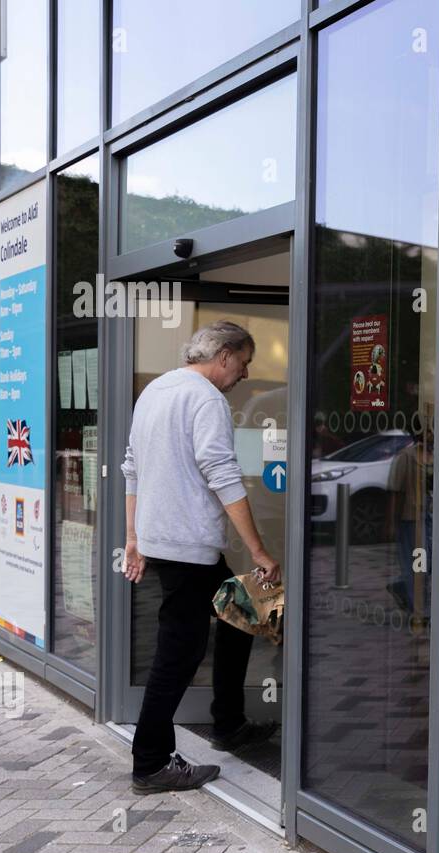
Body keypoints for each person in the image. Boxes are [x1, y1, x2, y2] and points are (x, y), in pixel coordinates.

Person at [122, 320, 282, 794]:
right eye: (245, 363)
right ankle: (150, 763)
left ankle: (228, 723)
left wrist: (133, 536)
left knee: (237, 616)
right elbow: (222, 472)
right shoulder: (206, 398)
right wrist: (258, 550)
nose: (245, 375)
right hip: (185, 546)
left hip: (165, 540)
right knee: (179, 653)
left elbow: (132, 468)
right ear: (225, 355)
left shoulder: (155, 390)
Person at [386, 424, 433, 619]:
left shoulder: (437, 455)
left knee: (428, 565)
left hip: (430, 518)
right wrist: (391, 522)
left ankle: (400, 586)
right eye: (430, 430)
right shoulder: (406, 457)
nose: (433, 434)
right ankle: (420, 612)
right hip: (411, 519)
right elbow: (396, 492)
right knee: (418, 567)